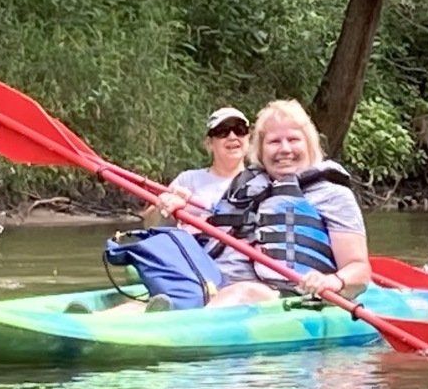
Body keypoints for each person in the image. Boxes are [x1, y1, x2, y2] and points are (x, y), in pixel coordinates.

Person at [153, 99, 372, 308]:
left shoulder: (333, 196)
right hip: (214, 286)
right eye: (274, 142)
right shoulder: (243, 189)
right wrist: (167, 210)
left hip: (285, 296)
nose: (285, 149)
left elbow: (358, 270)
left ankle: (187, 328)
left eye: (293, 140)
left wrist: (334, 281)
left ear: (309, 144)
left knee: (241, 293)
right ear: (260, 150)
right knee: (149, 299)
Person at [141, 106, 250, 226]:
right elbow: (149, 225)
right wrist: (165, 208)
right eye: (223, 131)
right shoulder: (187, 179)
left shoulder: (260, 182)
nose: (232, 136)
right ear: (209, 144)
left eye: (239, 130)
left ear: (248, 139)